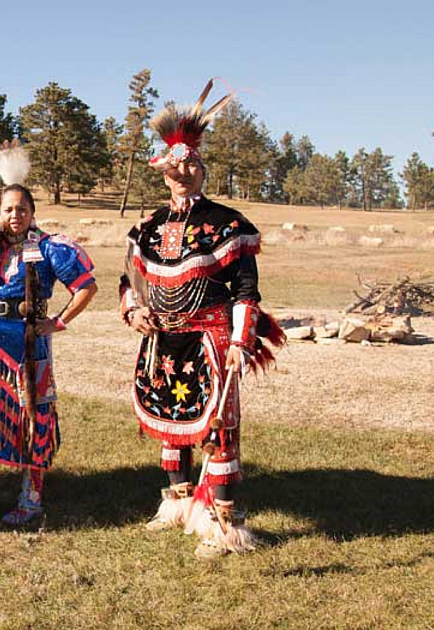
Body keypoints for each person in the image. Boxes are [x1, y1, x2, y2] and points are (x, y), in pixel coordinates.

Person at [119, 80, 284, 559]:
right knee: (171, 422)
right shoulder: (147, 228)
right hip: (163, 341)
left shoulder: (227, 224)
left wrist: (239, 340)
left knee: (218, 429)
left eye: (192, 164)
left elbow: (246, 290)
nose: (183, 172)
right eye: (175, 166)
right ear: (163, 173)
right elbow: (130, 280)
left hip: (212, 339)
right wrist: (136, 310)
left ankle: (226, 527)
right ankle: (176, 503)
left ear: (202, 169)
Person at [0, 141, 97, 525]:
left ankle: (31, 499)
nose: (15, 215)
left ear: (33, 212)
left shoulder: (50, 247)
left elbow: (86, 286)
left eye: (22, 209)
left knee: (33, 413)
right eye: (8, 209)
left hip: (29, 347)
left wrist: (60, 321)